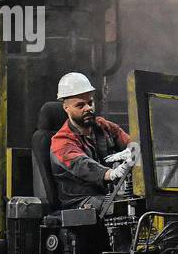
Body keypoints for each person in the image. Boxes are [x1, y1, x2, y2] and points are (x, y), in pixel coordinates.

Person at [49, 72, 132, 209]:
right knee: (121, 207)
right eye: (80, 105)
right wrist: (112, 173)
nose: (88, 108)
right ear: (66, 108)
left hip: (106, 194)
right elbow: (83, 165)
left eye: (90, 103)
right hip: (79, 202)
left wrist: (132, 150)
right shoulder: (61, 141)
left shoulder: (103, 126)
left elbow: (130, 142)